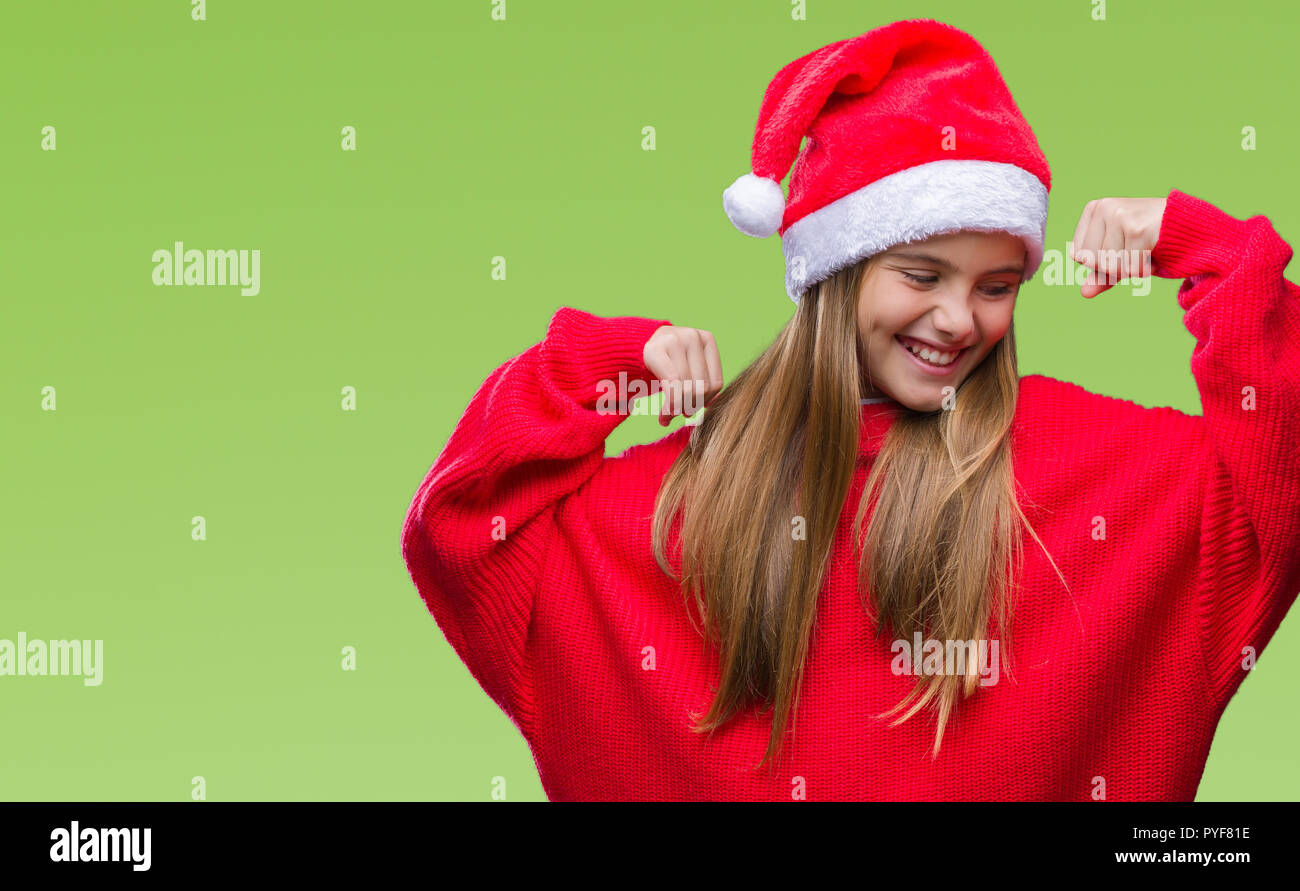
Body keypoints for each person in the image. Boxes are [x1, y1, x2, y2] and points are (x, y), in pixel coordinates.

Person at [400, 18, 1300, 800]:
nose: (959, 319)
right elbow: (463, 528)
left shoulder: (1105, 473)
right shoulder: (673, 502)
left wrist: (1208, 250)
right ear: (832, 272)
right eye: (921, 274)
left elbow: (1283, 474)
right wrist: (598, 366)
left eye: (997, 284)